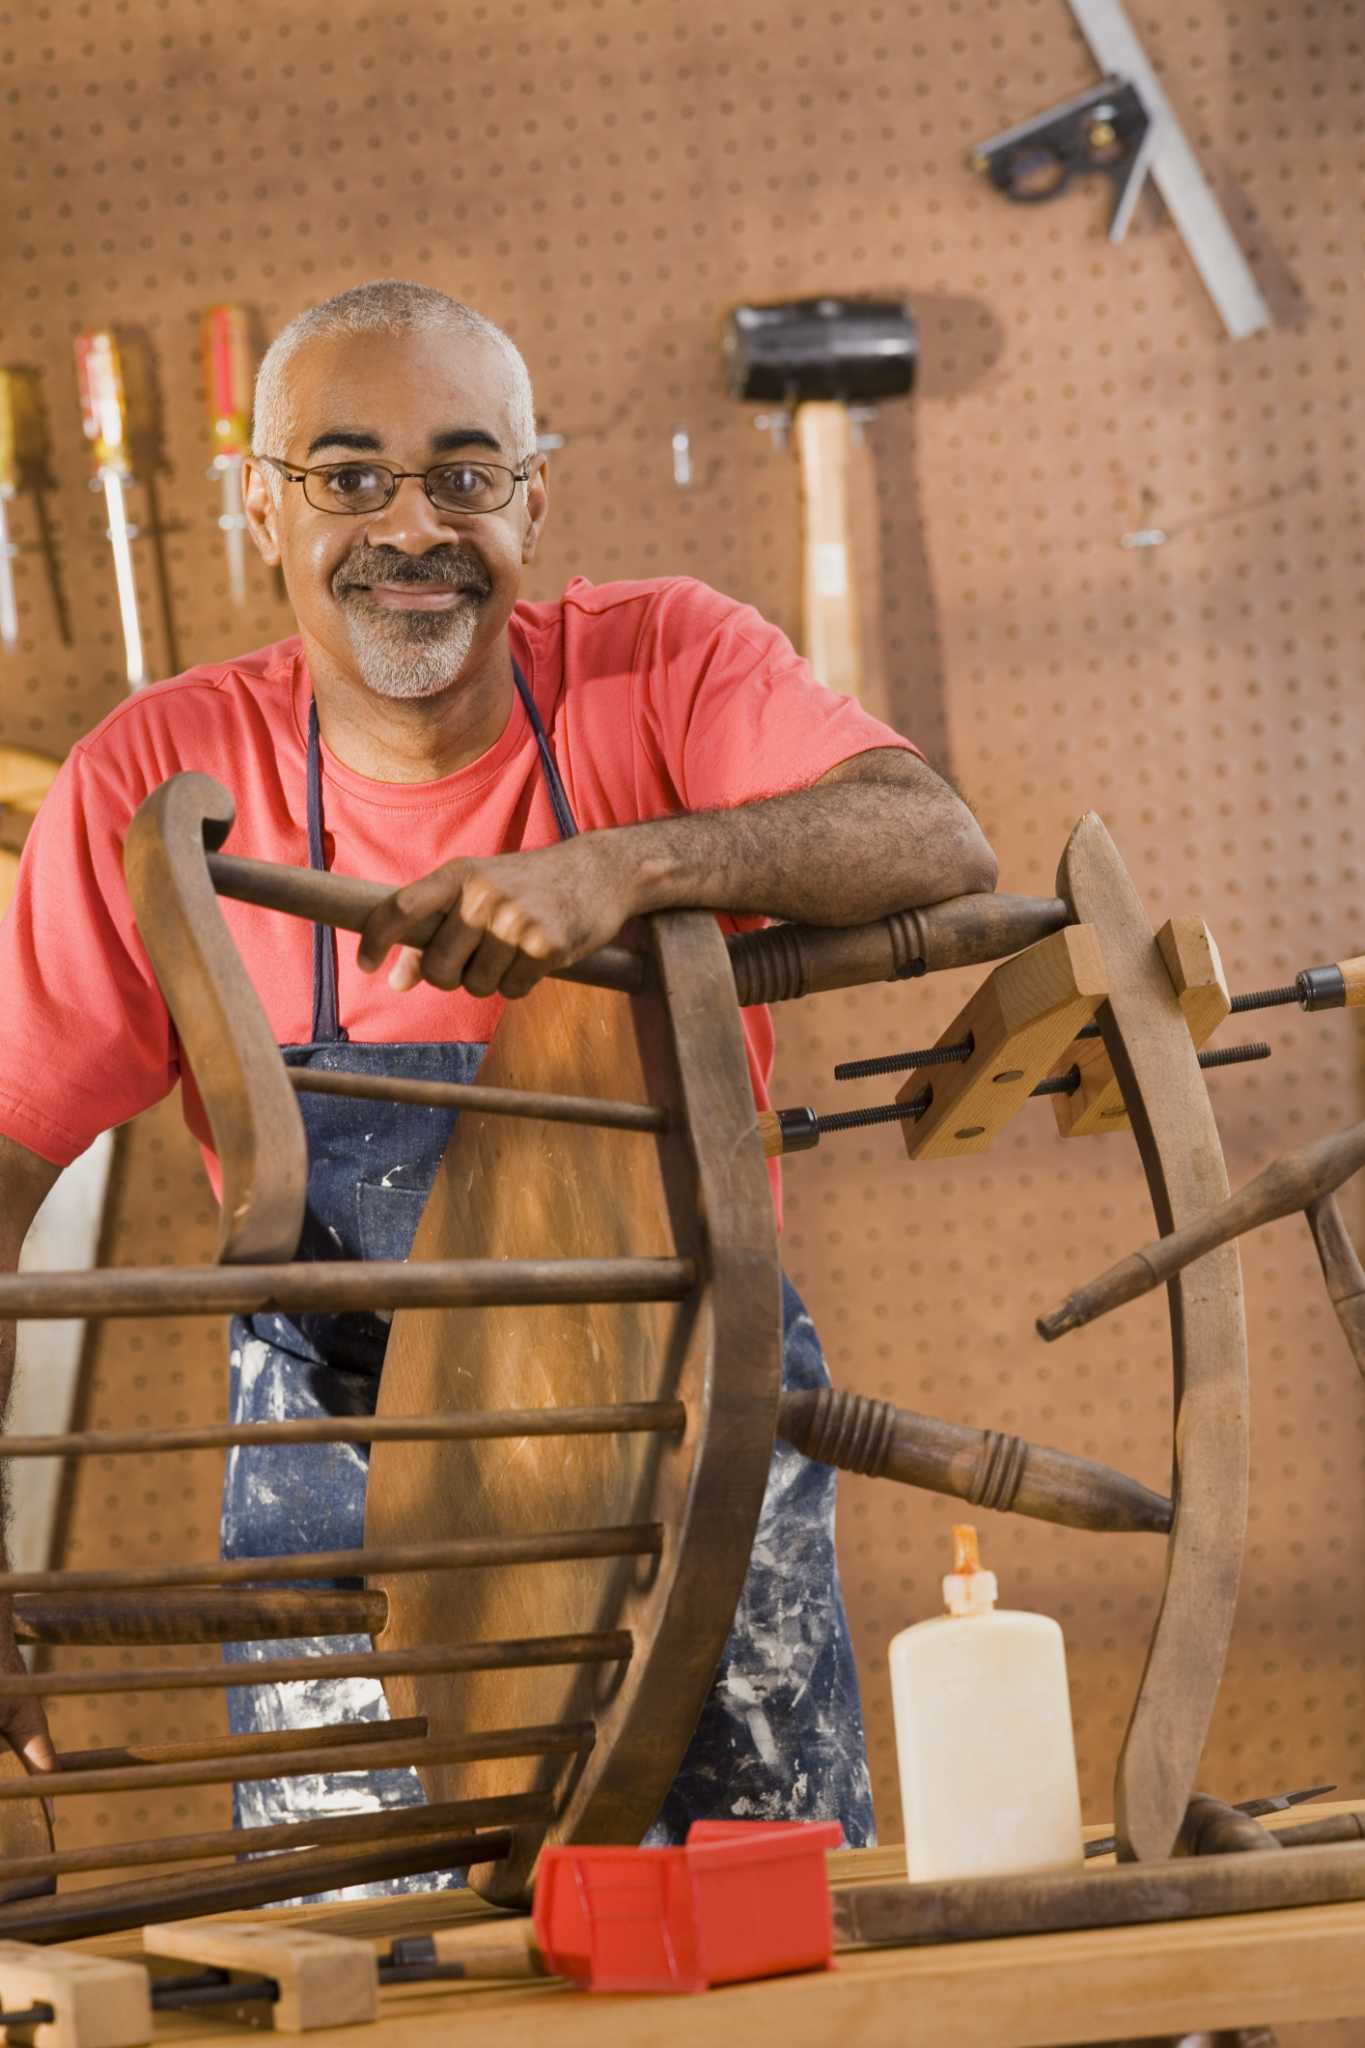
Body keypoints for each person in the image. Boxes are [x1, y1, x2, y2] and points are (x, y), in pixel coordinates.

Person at [0, 281, 996, 1883]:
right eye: (346, 477)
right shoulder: (154, 781)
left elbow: (931, 837)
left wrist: (628, 868)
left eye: (465, 476)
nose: (412, 526)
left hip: (690, 1454)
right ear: (260, 504)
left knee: (761, 1946)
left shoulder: (657, 661)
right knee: (389, 1982)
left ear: (533, 495)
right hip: (346, 1494)